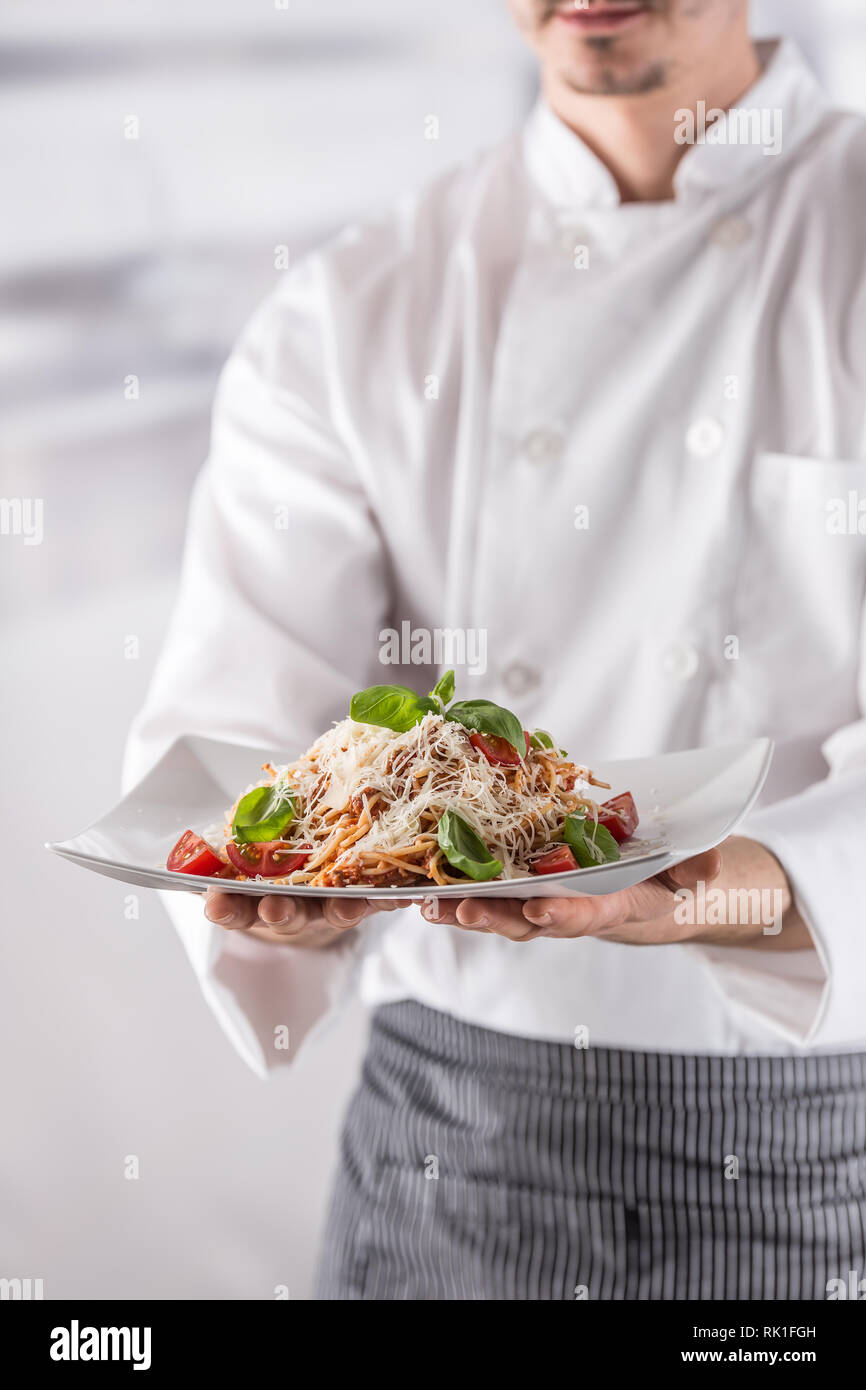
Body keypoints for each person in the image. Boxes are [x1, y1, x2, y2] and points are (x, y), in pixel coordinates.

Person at [125, 0, 866, 1300]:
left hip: (812, 1150)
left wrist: (720, 888)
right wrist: (286, 889)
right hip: (447, 1153)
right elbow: (240, 742)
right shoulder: (351, 311)